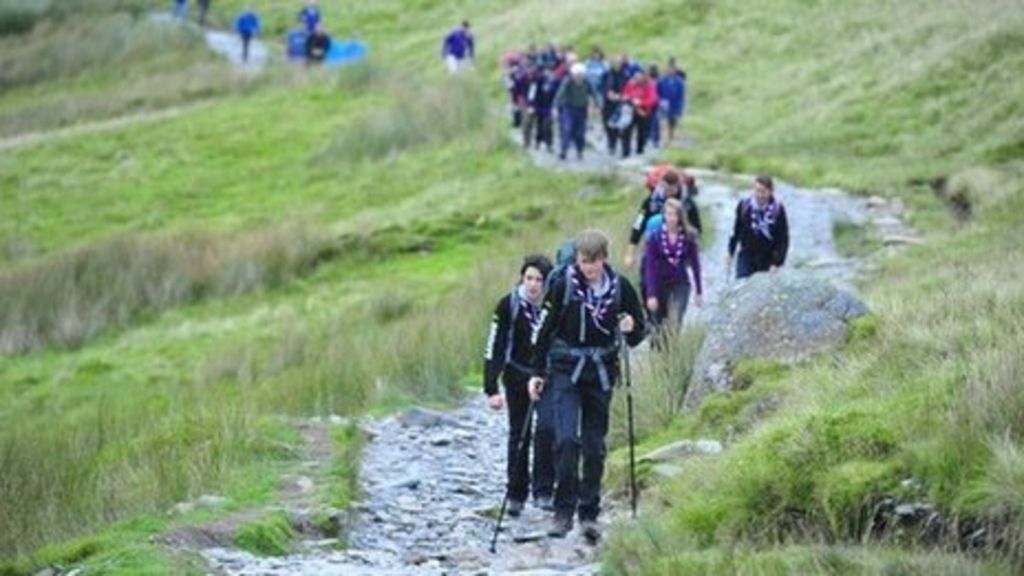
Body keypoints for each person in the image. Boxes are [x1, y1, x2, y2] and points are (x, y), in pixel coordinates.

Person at [528, 230, 646, 541]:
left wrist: (631, 327)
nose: (589, 268)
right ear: (577, 259)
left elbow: (639, 333)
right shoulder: (562, 285)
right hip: (566, 371)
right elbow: (544, 330)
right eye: (583, 261)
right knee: (567, 439)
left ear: (604, 259)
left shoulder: (620, 288)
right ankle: (562, 512)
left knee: (594, 447)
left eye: (593, 262)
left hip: (602, 373)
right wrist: (537, 372)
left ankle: (589, 513)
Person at [484, 255, 557, 517]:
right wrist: (491, 387)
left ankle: (544, 490)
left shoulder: (555, 304)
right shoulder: (508, 305)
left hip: (546, 376)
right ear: (522, 278)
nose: (533, 285)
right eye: (529, 278)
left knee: (547, 429)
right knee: (519, 433)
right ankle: (516, 493)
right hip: (516, 374)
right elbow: (496, 345)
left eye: (539, 279)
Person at [643, 198, 703, 339]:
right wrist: (651, 294)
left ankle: (674, 352)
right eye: (668, 214)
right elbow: (650, 266)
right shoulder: (655, 237)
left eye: (674, 215)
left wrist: (699, 291)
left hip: (680, 284)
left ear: (680, 217)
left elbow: (695, 265)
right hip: (659, 285)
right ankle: (659, 356)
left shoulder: (688, 237)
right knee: (658, 325)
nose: (671, 218)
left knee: (675, 322)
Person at [728, 175, 790, 279]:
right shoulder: (744, 206)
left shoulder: (778, 210)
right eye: (757, 191)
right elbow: (736, 230)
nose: (760, 195)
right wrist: (730, 251)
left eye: (763, 191)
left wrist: (777, 262)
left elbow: (783, 239)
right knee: (742, 285)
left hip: (767, 257)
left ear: (770, 191)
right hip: (746, 254)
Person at [554, 63, 597, 161]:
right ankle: (564, 150)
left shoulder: (587, 82)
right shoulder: (567, 81)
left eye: (581, 74)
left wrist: (598, 104)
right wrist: (555, 106)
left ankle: (580, 151)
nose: (578, 77)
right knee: (567, 128)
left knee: (580, 132)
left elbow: (594, 93)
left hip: (582, 109)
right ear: (572, 74)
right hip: (569, 108)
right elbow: (560, 93)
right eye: (576, 74)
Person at [620, 69, 658, 158]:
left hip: (643, 111)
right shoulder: (631, 84)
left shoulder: (649, 86)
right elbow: (625, 93)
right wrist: (627, 98)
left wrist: (641, 102)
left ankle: (640, 149)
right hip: (630, 111)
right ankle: (626, 151)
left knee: (641, 132)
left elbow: (653, 99)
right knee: (626, 131)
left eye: (639, 78)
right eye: (635, 77)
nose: (637, 79)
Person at [601, 55, 631, 155]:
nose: (617, 65)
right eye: (615, 63)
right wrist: (608, 94)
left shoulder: (625, 75)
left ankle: (615, 143)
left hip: (620, 103)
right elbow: (603, 87)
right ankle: (611, 143)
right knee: (608, 124)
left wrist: (621, 96)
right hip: (608, 103)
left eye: (619, 63)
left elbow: (628, 88)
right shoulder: (606, 74)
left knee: (618, 124)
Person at [524, 67, 559, 152]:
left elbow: (557, 94)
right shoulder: (537, 81)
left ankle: (549, 144)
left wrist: (556, 106)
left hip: (549, 107)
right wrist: (530, 105)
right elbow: (531, 94)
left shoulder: (554, 82)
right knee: (539, 125)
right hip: (538, 106)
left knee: (548, 126)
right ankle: (538, 142)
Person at [657, 58, 687, 145]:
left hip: (674, 106)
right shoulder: (662, 80)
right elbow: (657, 92)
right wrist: (660, 101)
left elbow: (681, 96)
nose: (670, 71)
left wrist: (680, 108)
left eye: (672, 69)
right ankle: (663, 139)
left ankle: (670, 139)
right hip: (663, 105)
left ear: (675, 70)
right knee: (663, 123)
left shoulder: (680, 82)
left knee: (672, 123)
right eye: (669, 69)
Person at [647, 65, 661, 148]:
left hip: (655, 103)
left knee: (654, 121)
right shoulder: (648, 81)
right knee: (649, 120)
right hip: (648, 103)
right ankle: (650, 137)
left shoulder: (657, 81)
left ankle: (655, 139)